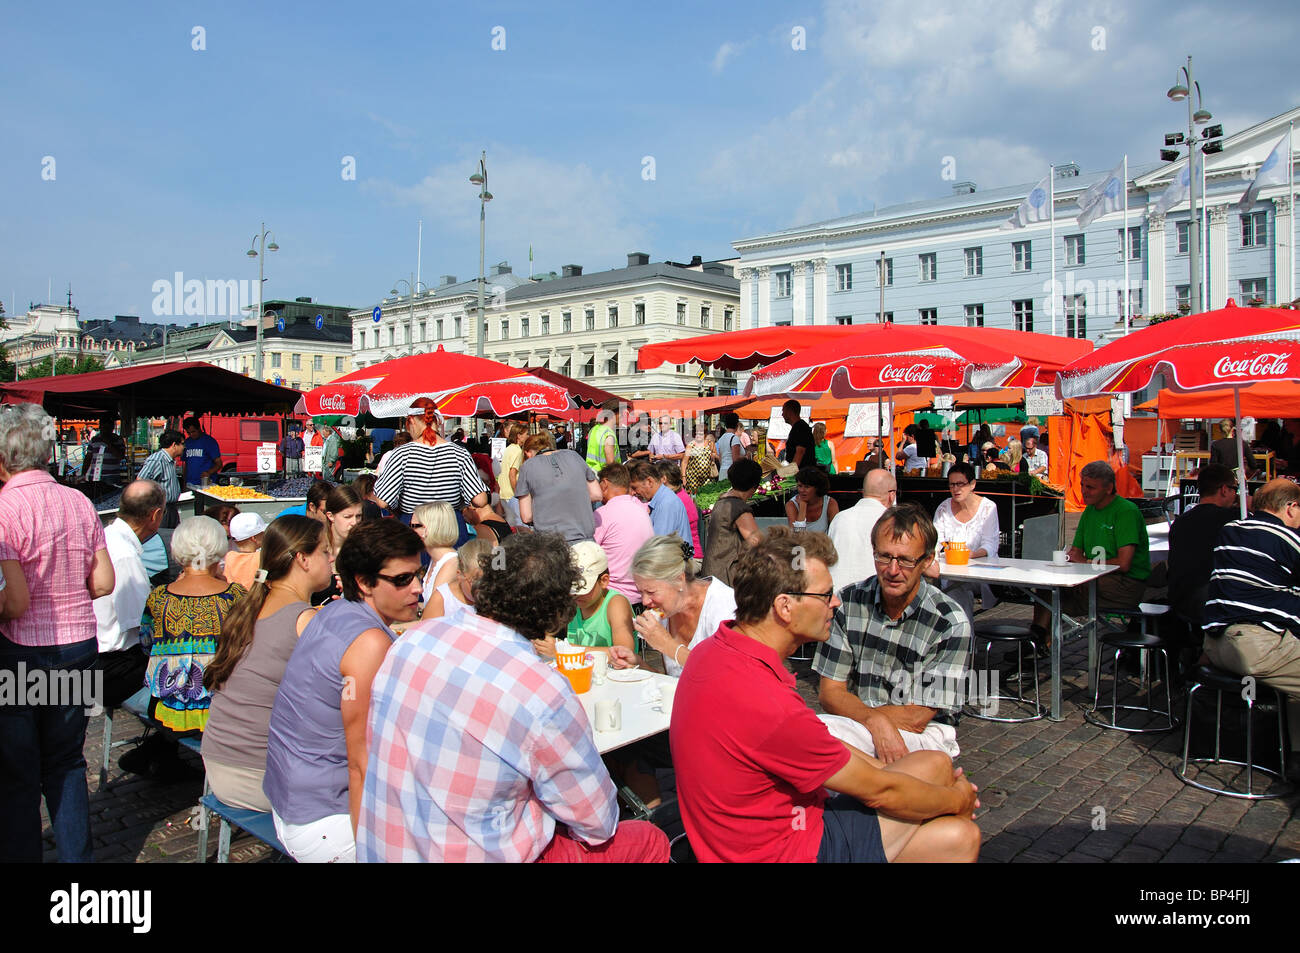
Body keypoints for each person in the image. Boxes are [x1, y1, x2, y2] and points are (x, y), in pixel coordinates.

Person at [672, 528, 980, 863]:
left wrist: (900, 777)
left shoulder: (713, 652)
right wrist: (957, 800)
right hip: (788, 849)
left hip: (741, 838)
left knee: (934, 764)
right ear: (785, 607)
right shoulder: (765, 700)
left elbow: (818, 746)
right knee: (959, 835)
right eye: (826, 594)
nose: (836, 602)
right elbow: (880, 790)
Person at [358, 531, 669, 862]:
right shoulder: (538, 689)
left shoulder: (413, 641)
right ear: (558, 611)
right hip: (474, 852)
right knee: (647, 838)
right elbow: (597, 822)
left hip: (385, 845)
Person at [264, 519, 424, 863]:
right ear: (363, 582)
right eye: (402, 579)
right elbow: (361, 762)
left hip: (290, 798)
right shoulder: (370, 643)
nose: (418, 588)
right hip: (324, 818)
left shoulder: (334, 611)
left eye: (419, 575)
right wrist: (371, 851)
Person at [0, 403, 114, 863]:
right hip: (80, 647)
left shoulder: (5, 509)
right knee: (67, 762)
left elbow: (16, 603)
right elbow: (103, 582)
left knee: (18, 770)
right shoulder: (80, 502)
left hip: (23, 651)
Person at [815, 504, 972, 762]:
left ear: (927, 561)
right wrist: (874, 722)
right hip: (860, 723)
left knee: (823, 734)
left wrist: (868, 720)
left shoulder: (949, 622)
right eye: (884, 556)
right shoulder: (848, 602)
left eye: (906, 560)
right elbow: (829, 692)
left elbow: (918, 717)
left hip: (924, 734)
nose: (893, 570)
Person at [200, 516, 330, 813]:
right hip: (261, 777)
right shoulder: (304, 620)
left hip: (219, 765)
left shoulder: (250, 604)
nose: (331, 557)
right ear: (303, 560)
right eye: (324, 551)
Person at [1203, 477, 1300, 776]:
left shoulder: (1230, 529)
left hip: (1214, 644)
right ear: (1291, 508)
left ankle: (1295, 757)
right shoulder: (1288, 540)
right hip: (1255, 648)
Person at [140, 516, 246, 735]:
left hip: (168, 710)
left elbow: (146, 643)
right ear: (219, 549)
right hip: (224, 710)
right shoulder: (236, 596)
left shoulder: (158, 597)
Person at [1032, 460, 1151, 639]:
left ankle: (1039, 639)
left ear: (1109, 488)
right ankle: (1039, 638)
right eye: (1082, 485)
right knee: (1047, 588)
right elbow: (1075, 553)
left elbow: (1124, 564)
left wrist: (1086, 562)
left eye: (1090, 487)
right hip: (1098, 578)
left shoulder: (1126, 512)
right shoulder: (1090, 511)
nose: (1084, 490)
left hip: (1125, 584)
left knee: (1053, 594)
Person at [373, 399, 493, 546]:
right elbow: (480, 500)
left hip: (414, 529)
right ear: (437, 421)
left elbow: (382, 501)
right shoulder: (459, 453)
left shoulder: (401, 454)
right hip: (450, 527)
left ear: (411, 420)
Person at [615, 535, 736, 678]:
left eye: (651, 592)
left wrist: (667, 645)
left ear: (679, 579)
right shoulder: (668, 611)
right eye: (641, 592)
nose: (645, 601)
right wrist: (639, 665)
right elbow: (675, 682)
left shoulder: (724, 607)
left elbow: (726, 676)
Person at [93, 480, 165, 708]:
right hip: (114, 667)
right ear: (155, 516)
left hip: (99, 657)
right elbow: (144, 624)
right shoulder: (125, 556)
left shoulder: (107, 536)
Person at [924, 462, 1001, 625]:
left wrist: (970, 554)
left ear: (972, 484)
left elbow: (990, 545)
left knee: (956, 588)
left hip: (981, 572)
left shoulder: (988, 508)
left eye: (961, 484)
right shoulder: (944, 508)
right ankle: (961, 636)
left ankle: (962, 638)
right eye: (952, 484)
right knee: (951, 586)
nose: (956, 489)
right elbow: (936, 540)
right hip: (950, 569)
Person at [1168, 463, 1239, 633]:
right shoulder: (1233, 520)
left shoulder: (1180, 522)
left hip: (1180, 602)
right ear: (1224, 489)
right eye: (1234, 489)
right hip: (1214, 605)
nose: (1236, 494)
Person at [515, 429, 602, 541]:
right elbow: (596, 494)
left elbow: (526, 516)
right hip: (585, 542)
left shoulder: (527, 467)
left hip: (551, 544)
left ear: (527, 453)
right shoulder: (574, 456)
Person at [592, 463, 654, 606]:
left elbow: (591, 553)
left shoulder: (602, 515)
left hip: (613, 598)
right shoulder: (641, 508)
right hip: (642, 594)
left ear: (605, 484)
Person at [827, 469, 897, 592]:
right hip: (871, 595)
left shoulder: (840, 518)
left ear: (863, 492)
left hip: (836, 594)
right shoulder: (892, 521)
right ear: (892, 495)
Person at [700, 458, 764, 586]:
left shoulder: (721, 501)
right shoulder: (739, 508)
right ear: (754, 486)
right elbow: (757, 543)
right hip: (725, 575)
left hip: (712, 570)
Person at [565, 540, 635, 655]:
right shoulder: (573, 603)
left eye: (583, 589)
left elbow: (624, 653)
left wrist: (569, 649)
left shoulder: (616, 604)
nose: (576, 595)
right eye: (572, 588)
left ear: (604, 581)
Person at [313, 484, 365, 606]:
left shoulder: (364, 550)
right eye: (347, 517)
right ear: (330, 516)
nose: (354, 523)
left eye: (358, 516)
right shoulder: (314, 547)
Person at [422, 537, 492, 621]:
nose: (482, 589)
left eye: (489, 582)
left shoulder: (495, 599)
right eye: (475, 582)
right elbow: (427, 631)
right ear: (460, 575)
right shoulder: (442, 600)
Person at [412, 501, 460, 614]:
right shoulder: (436, 560)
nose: (409, 531)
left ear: (426, 529)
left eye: (413, 526)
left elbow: (432, 615)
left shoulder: (451, 564)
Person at [628, 459, 691, 545]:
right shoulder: (663, 499)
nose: (633, 493)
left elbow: (659, 546)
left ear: (649, 482)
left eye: (635, 488)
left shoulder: (666, 504)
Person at [136, 429, 185, 528]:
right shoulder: (158, 460)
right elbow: (140, 481)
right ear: (174, 445)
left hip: (171, 508)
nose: (184, 447)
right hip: (161, 510)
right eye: (182, 444)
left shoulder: (170, 461)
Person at [786, 467, 840, 534]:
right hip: (800, 544)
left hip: (823, 543)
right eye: (800, 486)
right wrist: (802, 507)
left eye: (807, 487)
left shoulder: (830, 503)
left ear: (817, 488)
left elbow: (836, 531)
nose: (802, 490)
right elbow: (797, 536)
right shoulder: (791, 505)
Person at [223, 512, 268, 591]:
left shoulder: (229, 556)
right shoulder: (260, 557)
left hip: (234, 598)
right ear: (254, 538)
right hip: (253, 598)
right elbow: (261, 582)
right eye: (263, 533)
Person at [81, 415, 126, 486]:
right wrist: (83, 474)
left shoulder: (118, 439)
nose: (105, 429)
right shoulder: (94, 439)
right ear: (100, 427)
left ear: (112, 428)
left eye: (108, 427)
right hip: (95, 476)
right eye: (104, 427)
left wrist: (108, 442)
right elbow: (88, 457)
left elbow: (120, 456)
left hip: (111, 476)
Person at [497, 423, 528, 527]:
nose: (527, 436)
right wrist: (517, 493)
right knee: (519, 525)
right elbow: (512, 474)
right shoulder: (518, 451)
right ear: (519, 436)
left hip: (503, 491)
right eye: (526, 434)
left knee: (510, 523)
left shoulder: (510, 448)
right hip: (511, 493)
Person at [182, 416, 223, 488]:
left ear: (199, 428)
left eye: (193, 431)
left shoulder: (210, 442)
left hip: (206, 484)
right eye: (188, 433)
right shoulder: (187, 442)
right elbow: (186, 465)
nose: (191, 434)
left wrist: (208, 472)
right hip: (190, 484)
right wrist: (184, 483)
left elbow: (219, 464)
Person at [681, 423, 717, 494]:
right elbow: (684, 462)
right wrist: (684, 477)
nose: (698, 436)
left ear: (705, 434)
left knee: (705, 496)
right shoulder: (690, 445)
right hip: (692, 478)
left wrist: (714, 455)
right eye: (697, 433)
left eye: (701, 434)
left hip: (707, 478)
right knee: (693, 497)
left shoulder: (710, 443)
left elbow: (715, 455)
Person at [781, 399, 815, 469]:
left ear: (789, 412)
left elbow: (800, 452)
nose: (782, 414)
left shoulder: (800, 428)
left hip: (802, 474)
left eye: (783, 411)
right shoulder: (798, 427)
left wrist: (791, 472)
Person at [585, 405, 621, 471]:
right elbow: (611, 464)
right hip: (604, 476)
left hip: (591, 474)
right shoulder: (608, 434)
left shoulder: (594, 429)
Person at [715, 412, 747, 483]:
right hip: (732, 473)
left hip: (723, 471)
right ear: (737, 425)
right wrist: (746, 457)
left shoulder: (721, 438)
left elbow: (720, 458)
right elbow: (735, 459)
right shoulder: (734, 438)